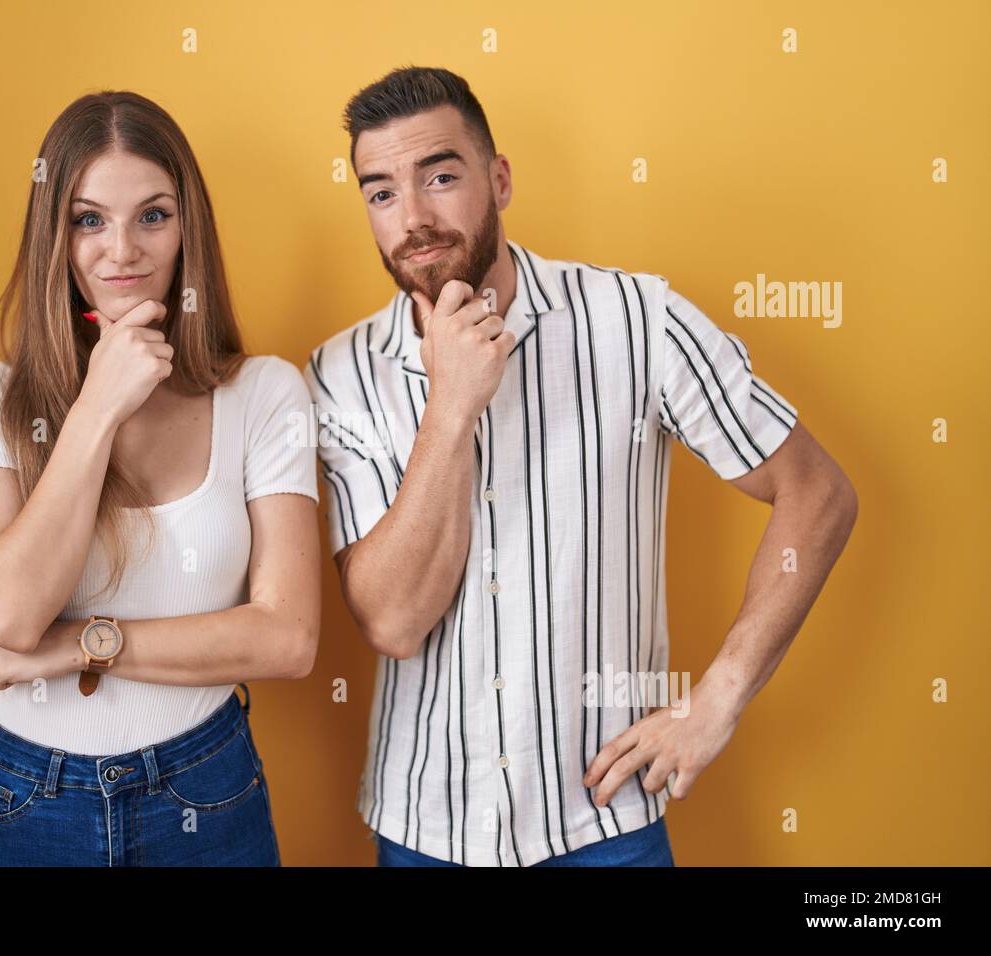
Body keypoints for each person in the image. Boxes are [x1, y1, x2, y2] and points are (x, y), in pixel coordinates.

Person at [304, 66, 857, 867]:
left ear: (499, 179)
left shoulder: (637, 320)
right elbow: (393, 621)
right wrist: (452, 408)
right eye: (381, 192)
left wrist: (720, 698)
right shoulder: (339, 373)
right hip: (425, 828)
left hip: (605, 824)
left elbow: (818, 494)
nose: (414, 218)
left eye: (442, 176)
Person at [0, 90, 320, 866]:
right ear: (55, 236)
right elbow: (9, 616)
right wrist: (98, 407)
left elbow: (288, 638)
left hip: (206, 789)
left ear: (189, 232)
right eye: (89, 220)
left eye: (153, 215)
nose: (122, 252)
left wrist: (76, 646)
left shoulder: (264, 392)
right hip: (28, 801)